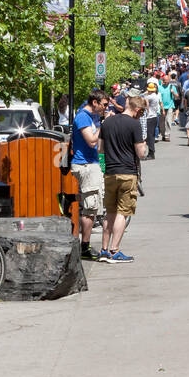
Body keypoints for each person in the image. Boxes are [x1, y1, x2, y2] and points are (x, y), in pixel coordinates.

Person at [100, 94, 147, 263]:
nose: (140, 115)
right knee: (122, 212)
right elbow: (141, 153)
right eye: (141, 112)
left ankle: (104, 250)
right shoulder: (134, 125)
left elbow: (100, 149)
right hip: (127, 172)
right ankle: (115, 250)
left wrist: (106, 165)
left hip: (110, 172)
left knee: (109, 212)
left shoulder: (107, 123)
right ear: (137, 109)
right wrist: (145, 145)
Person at [71, 89, 108, 261]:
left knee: (93, 207)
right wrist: (103, 125)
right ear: (95, 103)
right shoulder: (83, 117)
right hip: (84, 164)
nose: (105, 108)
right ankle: (84, 247)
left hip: (91, 162)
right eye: (104, 104)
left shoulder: (90, 116)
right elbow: (91, 140)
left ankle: (85, 245)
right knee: (90, 207)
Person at [144, 79, 160, 157]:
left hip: (149, 117)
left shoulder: (149, 97)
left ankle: (151, 153)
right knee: (152, 135)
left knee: (149, 135)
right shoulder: (156, 96)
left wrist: (146, 110)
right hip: (154, 116)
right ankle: (151, 151)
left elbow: (145, 101)